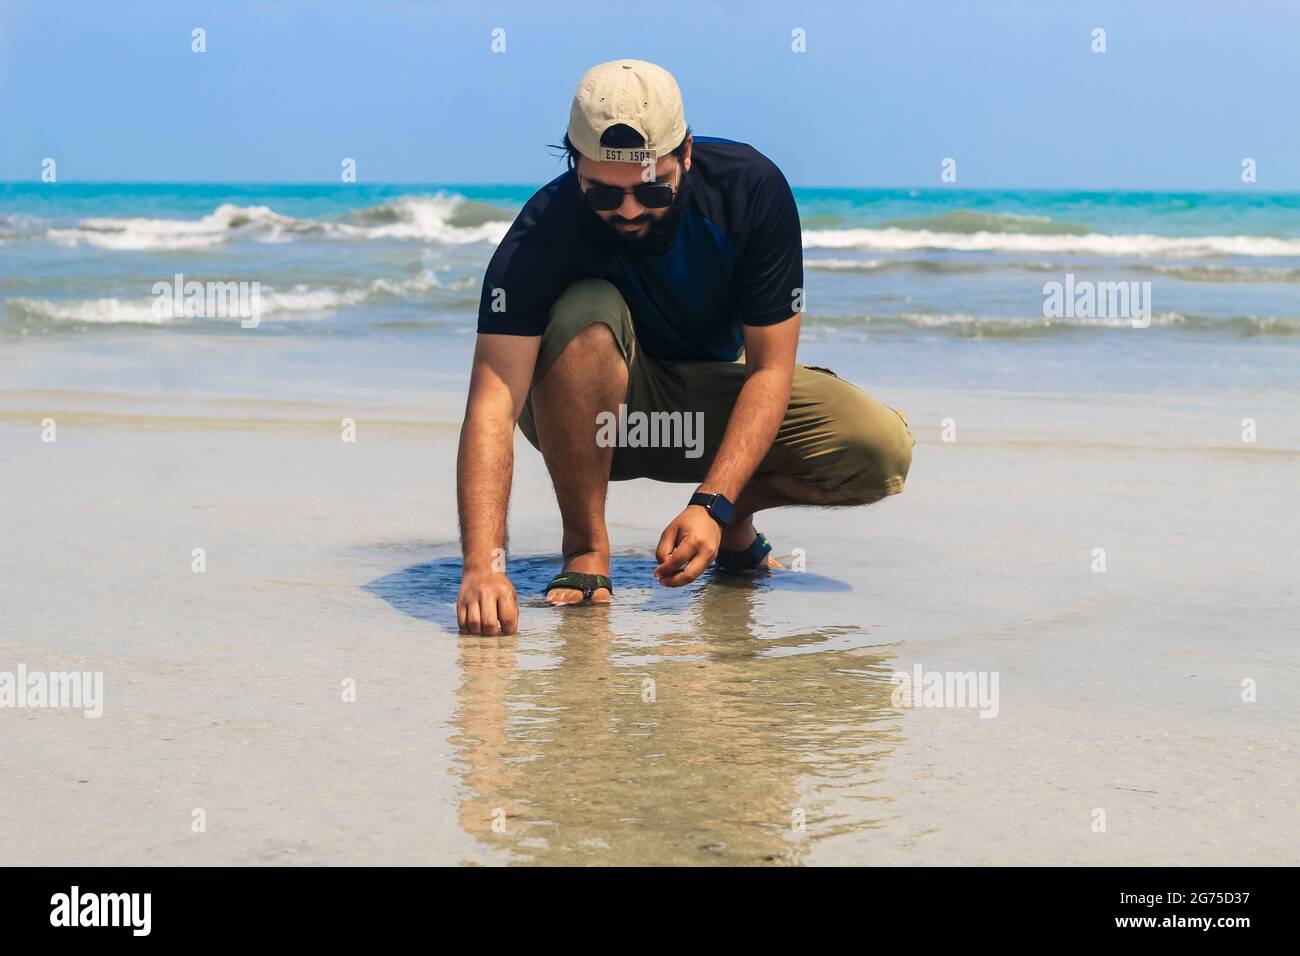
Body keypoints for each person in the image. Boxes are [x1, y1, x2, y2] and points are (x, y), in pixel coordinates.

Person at [456, 59, 914, 635]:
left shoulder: (751, 189)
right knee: (585, 311)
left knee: (878, 447)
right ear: (574, 168)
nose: (627, 210)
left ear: (687, 154)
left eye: (651, 189)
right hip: (592, 421)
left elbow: (770, 372)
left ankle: (734, 519)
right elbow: (493, 401)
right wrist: (483, 566)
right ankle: (585, 552)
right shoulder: (541, 233)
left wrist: (715, 505)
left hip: (714, 403)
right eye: (602, 194)